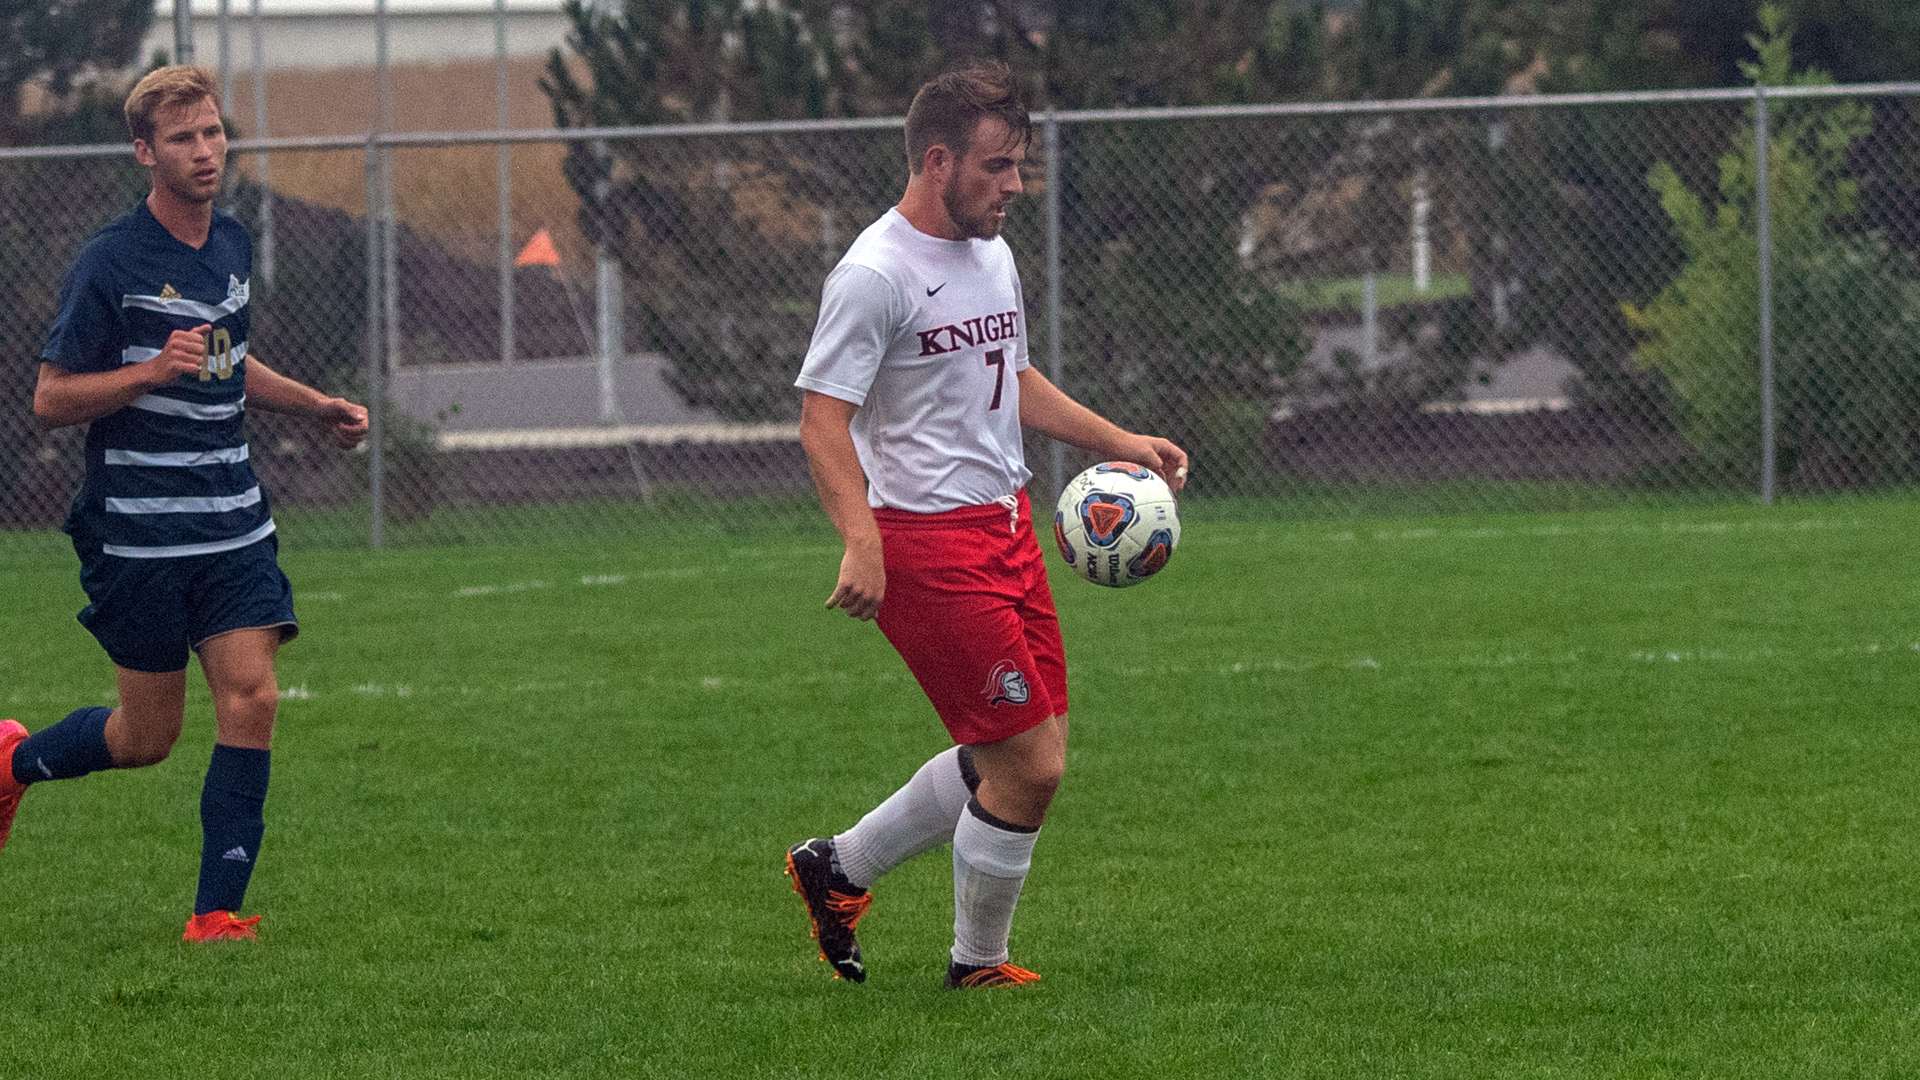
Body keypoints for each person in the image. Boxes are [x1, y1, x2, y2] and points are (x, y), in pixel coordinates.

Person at [785, 61, 1189, 989]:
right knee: (1030, 765)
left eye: (1019, 166)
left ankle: (837, 868)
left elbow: (1013, 378)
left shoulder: (990, 254)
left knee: (1019, 748)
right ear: (938, 161)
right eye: (997, 167)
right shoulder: (875, 274)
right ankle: (976, 965)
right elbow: (820, 419)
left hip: (1008, 526)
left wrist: (1119, 440)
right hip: (927, 545)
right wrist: (861, 539)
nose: (1015, 186)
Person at [0, 65, 369, 942]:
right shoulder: (111, 260)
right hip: (138, 534)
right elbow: (50, 398)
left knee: (253, 698)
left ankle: (215, 915)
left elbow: (229, 363)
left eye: (212, 132)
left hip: (233, 519)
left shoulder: (232, 242)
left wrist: (315, 404)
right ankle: (11, 764)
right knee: (146, 738)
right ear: (144, 152)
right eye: (181, 139)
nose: (204, 152)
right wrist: (147, 373)